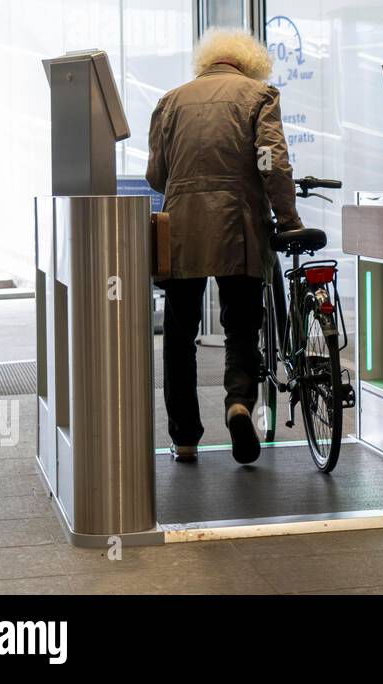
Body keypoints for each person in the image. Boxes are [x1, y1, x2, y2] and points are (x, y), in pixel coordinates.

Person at [147, 28, 302, 465]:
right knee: (241, 326)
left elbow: (156, 174)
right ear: (249, 62)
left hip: (180, 228)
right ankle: (237, 403)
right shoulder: (259, 95)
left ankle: (185, 438)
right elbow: (272, 161)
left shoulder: (170, 101)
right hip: (240, 224)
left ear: (206, 62)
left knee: (179, 334)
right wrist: (288, 219)